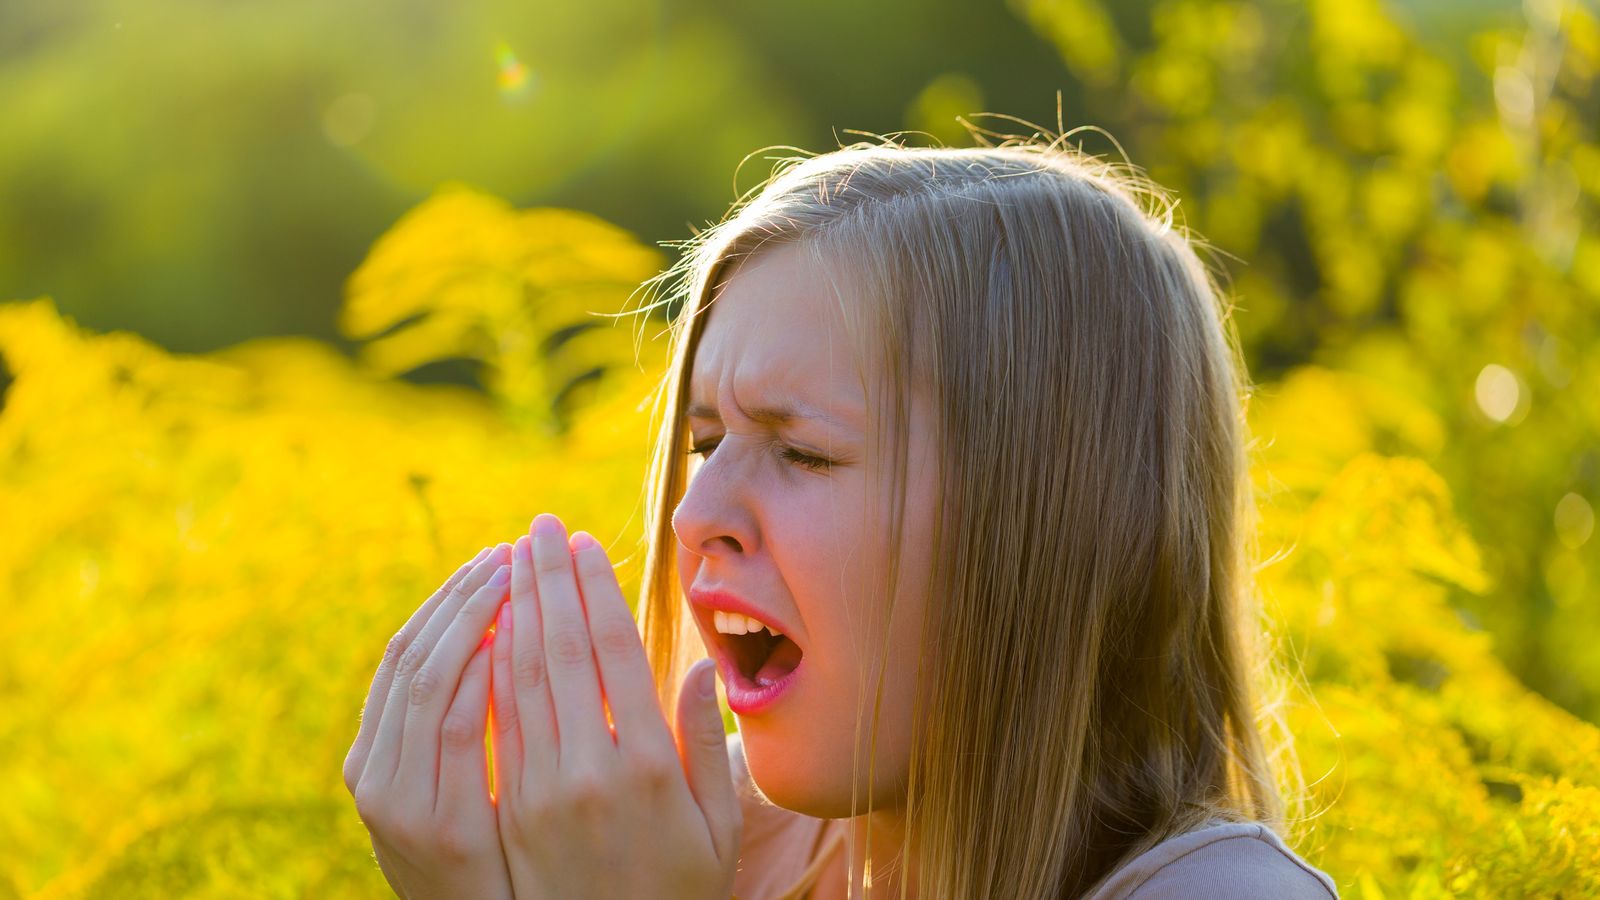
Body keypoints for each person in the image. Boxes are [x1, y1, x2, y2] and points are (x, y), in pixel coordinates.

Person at [343, 128, 1341, 899]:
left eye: (801, 449)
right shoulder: (697, 845)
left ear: (1055, 526)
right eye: (703, 444)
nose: (696, 515)